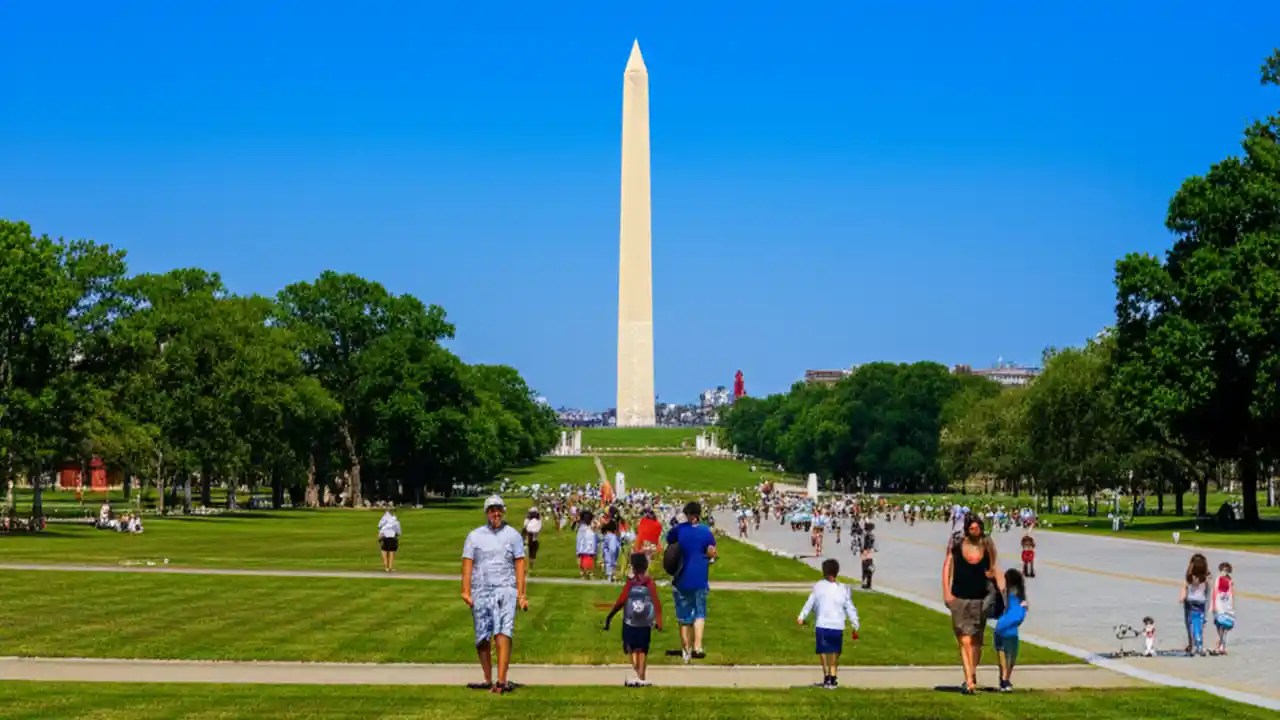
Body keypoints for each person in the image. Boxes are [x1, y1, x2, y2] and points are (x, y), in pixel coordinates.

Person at [461, 495, 529, 694]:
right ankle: (487, 678)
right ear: (486, 513)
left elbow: (520, 564)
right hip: (481, 589)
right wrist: (465, 590)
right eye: (492, 510)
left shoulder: (513, 535)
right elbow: (467, 563)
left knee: (503, 631)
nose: (495, 513)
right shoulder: (474, 536)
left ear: (504, 511)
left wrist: (521, 594)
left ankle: (501, 680)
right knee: (482, 636)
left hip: (505, 589)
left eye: (498, 509)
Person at [942, 514, 1002, 695]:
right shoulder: (957, 544)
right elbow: (947, 566)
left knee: (976, 639)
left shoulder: (987, 545)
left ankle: (971, 674)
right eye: (972, 528)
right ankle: (969, 680)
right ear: (967, 529)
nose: (975, 531)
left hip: (980, 598)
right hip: (959, 597)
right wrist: (947, 592)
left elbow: (993, 567)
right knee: (964, 639)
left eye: (978, 528)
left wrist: (1001, 588)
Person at [666, 501, 718, 663]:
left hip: (682, 577)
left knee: (684, 617)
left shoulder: (680, 530)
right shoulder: (706, 532)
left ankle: (685, 649)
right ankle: (698, 646)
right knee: (700, 612)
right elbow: (712, 551)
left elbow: (669, 539)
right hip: (700, 577)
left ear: (689, 515)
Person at [796, 558, 860, 689]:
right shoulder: (843, 589)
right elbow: (849, 607)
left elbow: (810, 602)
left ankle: (827, 677)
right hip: (837, 625)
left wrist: (802, 616)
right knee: (834, 653)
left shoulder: (819, 586)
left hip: (823, 624)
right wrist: (855, 622)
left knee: (824, 652)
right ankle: (832, 677)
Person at [603, 552, 664, 686]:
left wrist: (610, 617)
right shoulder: (649, 583)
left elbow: (621, 601)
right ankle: (641, 676)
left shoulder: (631, 584)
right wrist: (659, 620)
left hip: (630, 622)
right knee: (642, 649)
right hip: (645, 622)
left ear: (633, 567)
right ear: (646, 566)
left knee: (630, 647)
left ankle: (636, 672)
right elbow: (656, 602)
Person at [993, 568, 1028, 692]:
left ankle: (1003, 679)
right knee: (1011, 657)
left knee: (1001, 654)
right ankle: (1006, 680)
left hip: (999, 628)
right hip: (1011, 631)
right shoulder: (1021, 599)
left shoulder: (1004, 594)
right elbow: (1020, 616)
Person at [1179, 553, 1210, 657]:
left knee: (1190, 624)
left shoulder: (1190, 576)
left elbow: (1185, 587)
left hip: (1191, 602)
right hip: (1201, 602)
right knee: (1199, 624)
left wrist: (1182, 597)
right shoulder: (1206, 577)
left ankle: (1192, 645)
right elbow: (1207, 591)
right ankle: (1199, 645)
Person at [1211, 561, 1235, 655]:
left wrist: (1232, 605)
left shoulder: (1230, 580)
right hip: (1218, 603)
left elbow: (1231, 593)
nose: (1224, 572)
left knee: (1225, 626)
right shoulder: (1218, 579)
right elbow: (1215, 591)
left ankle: (1222, 645)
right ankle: (1220, 643)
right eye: (1223, 570)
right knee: (1218, 624)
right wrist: (1213, 605)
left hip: (1226, 604)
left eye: (1226, 570)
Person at [377, 507, 401, 572]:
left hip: (384, 535)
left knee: (384, 550)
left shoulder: (384, 518)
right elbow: (398, 530)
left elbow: (379, 526)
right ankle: (390, 567)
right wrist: (398, 533)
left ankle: (386, 567)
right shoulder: (396, 520)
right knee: (391, 551)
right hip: (392, 536)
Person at [576, 509, 598, 580]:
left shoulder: (580, 528)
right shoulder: (589, 528)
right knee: (588, 559)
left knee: (581, 558)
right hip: (588, 548)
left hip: (582, 548)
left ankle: (583, 574)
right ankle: (589, 573)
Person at [860, 522, 876, 590]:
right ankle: (868, 583)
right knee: (869, 568)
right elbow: (874, 546)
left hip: (865, 553)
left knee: (865, 569)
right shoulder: (872, 535)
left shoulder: (865, 535)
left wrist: (863, 550)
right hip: (869, 553)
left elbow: (863, 544)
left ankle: (864, 583)